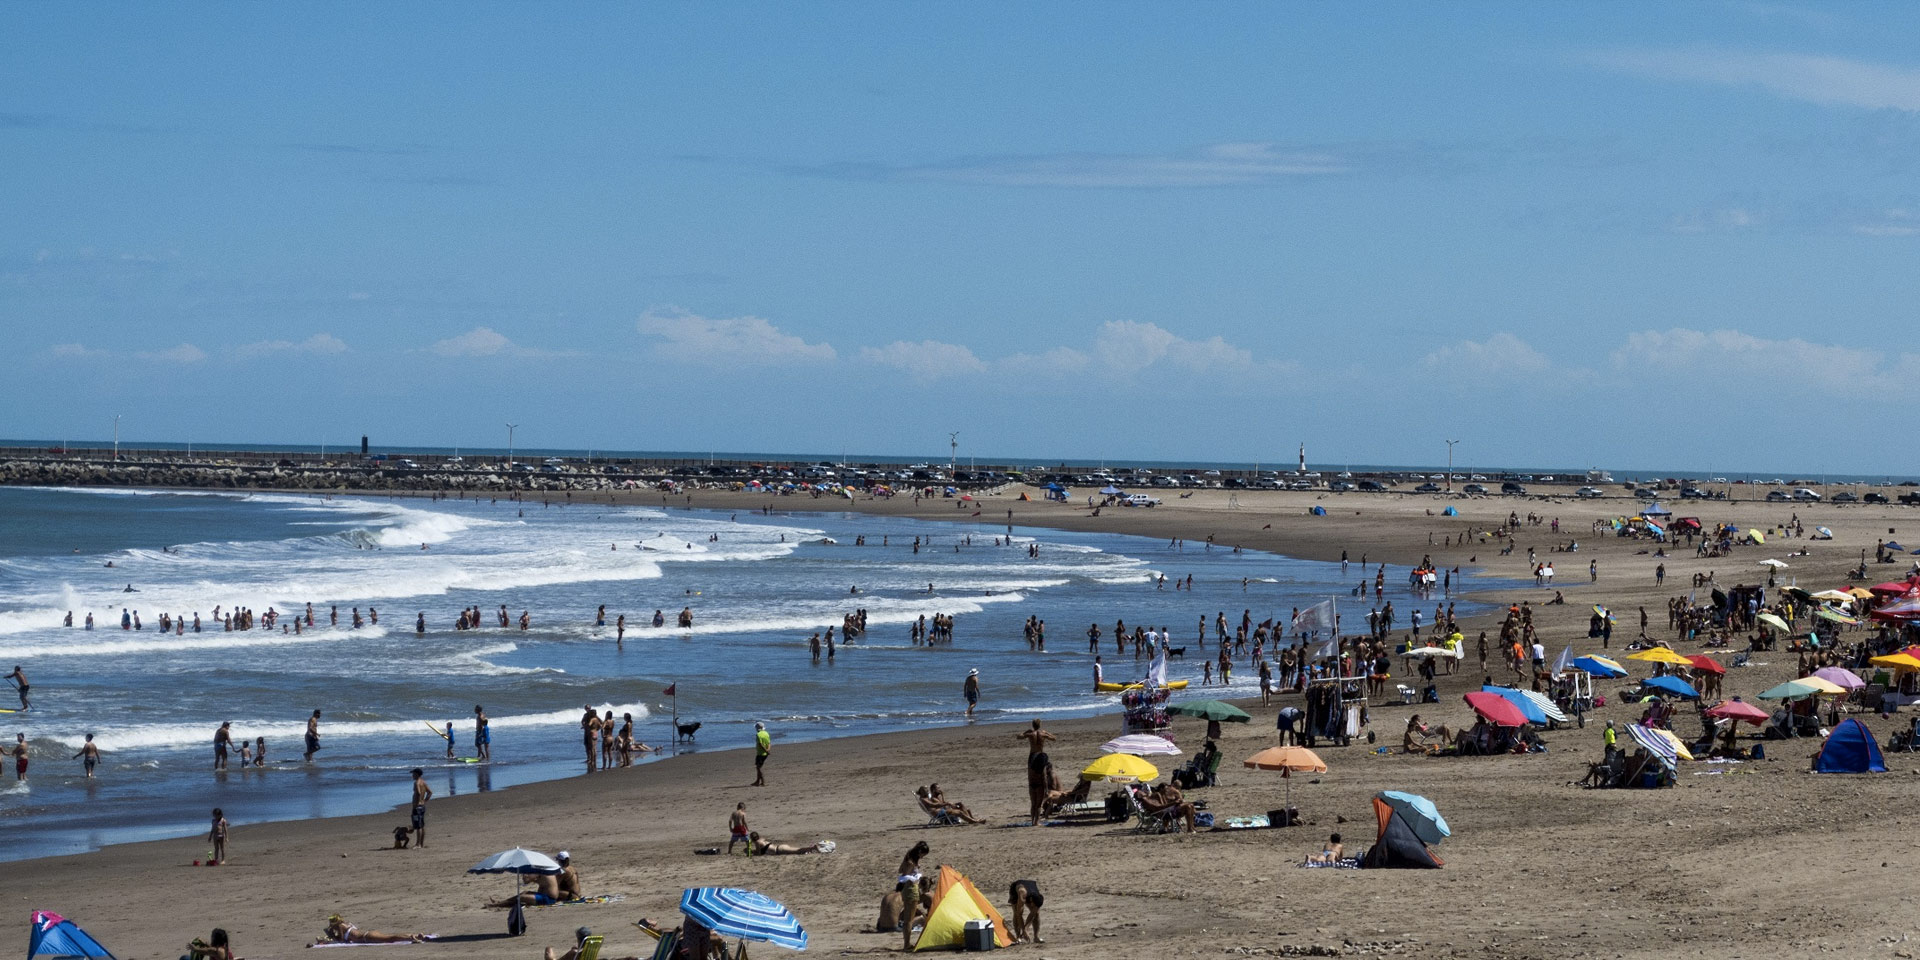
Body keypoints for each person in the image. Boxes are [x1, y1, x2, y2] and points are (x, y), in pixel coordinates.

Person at [1014, 719, 1056, 826]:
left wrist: (1025, 732)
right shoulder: (1043, 733)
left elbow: (1018, 737)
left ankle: (1033, 820)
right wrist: (1047, 733)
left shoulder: (1030, 733)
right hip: (1039, 755)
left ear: (1033, 725)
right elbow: (1054, 738)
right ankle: (1036, 821)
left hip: (1032, 756)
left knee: (1031, 777)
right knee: (1042, 776)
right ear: (1040, 725)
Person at [896, 842, 930, 951]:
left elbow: (900, 870)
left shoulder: (908, 858)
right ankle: (907, 944)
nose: (922, 857)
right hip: (911, 889)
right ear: (919, 852)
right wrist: (913, 877)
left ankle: (907, 943)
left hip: (907, 890)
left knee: (908, 919)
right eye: (922, 855)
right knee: (909, 919)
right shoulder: (911, 863)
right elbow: (904, 875)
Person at [311, 915, 428, 945]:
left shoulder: (341, 927)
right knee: (390, 936)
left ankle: (412, 937)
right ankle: (415, 935)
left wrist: (332, 935)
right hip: (368, 934)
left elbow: (342, 940)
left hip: (367, 937)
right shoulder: (346, 924)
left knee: (391, 938)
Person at [916, 785, 984, 824]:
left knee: (960, 810)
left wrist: (944, 803)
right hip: (939, 814)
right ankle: (974, 821)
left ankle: (973, 820)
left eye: (927, 790)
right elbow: (933, 805)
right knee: (959, 812)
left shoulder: (926, 798)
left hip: (941, 811)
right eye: (925, 790)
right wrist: (946, 803)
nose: (927, 791)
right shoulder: (923, 799)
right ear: (921, 792)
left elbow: (937, 804)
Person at [1007, 880, 1044, 944]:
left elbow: (1033, 914)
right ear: (1031, 900)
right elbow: (1019, 915)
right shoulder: (1022, 894)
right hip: (1016, 889)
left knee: (1037, 913)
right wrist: (1024, 930)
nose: (1033, 907)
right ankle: (1018, 937)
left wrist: (1025, 929)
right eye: (1033, 905)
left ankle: (1036, 937)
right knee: (1016, 913)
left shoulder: (1038, 897)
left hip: (1030, 889)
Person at [747, 831, 830, 855]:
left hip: (779, 850)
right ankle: (811, 848)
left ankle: (812, 848)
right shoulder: (762, 839)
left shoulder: (757, 842)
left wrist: (751, 850)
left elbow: (758, 853)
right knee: (798, 851)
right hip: (780, 847)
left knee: (798, 851)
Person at [409, 767, 432, 848]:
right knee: (422, 825)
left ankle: (418, 844)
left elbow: (418, 792)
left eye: (413, 774)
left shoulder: (417, 783)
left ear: (416, 774)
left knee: (418, 826)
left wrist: (417, 803)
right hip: (422, 806)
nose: (412, 775)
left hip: (417, 806)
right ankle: (421, 843)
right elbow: (430, 792)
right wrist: (424, 801)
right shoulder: (423, 782)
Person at [753, 722, 770, 786]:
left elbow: (760, 744)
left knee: (758, 768)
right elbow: (768, 743)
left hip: (760, 753)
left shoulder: (758, 734)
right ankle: (757, 781)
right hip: (765, 753)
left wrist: (766, 750)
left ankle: (763, 781)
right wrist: (768, 750)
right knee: (758, 767)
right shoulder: (766, 733)